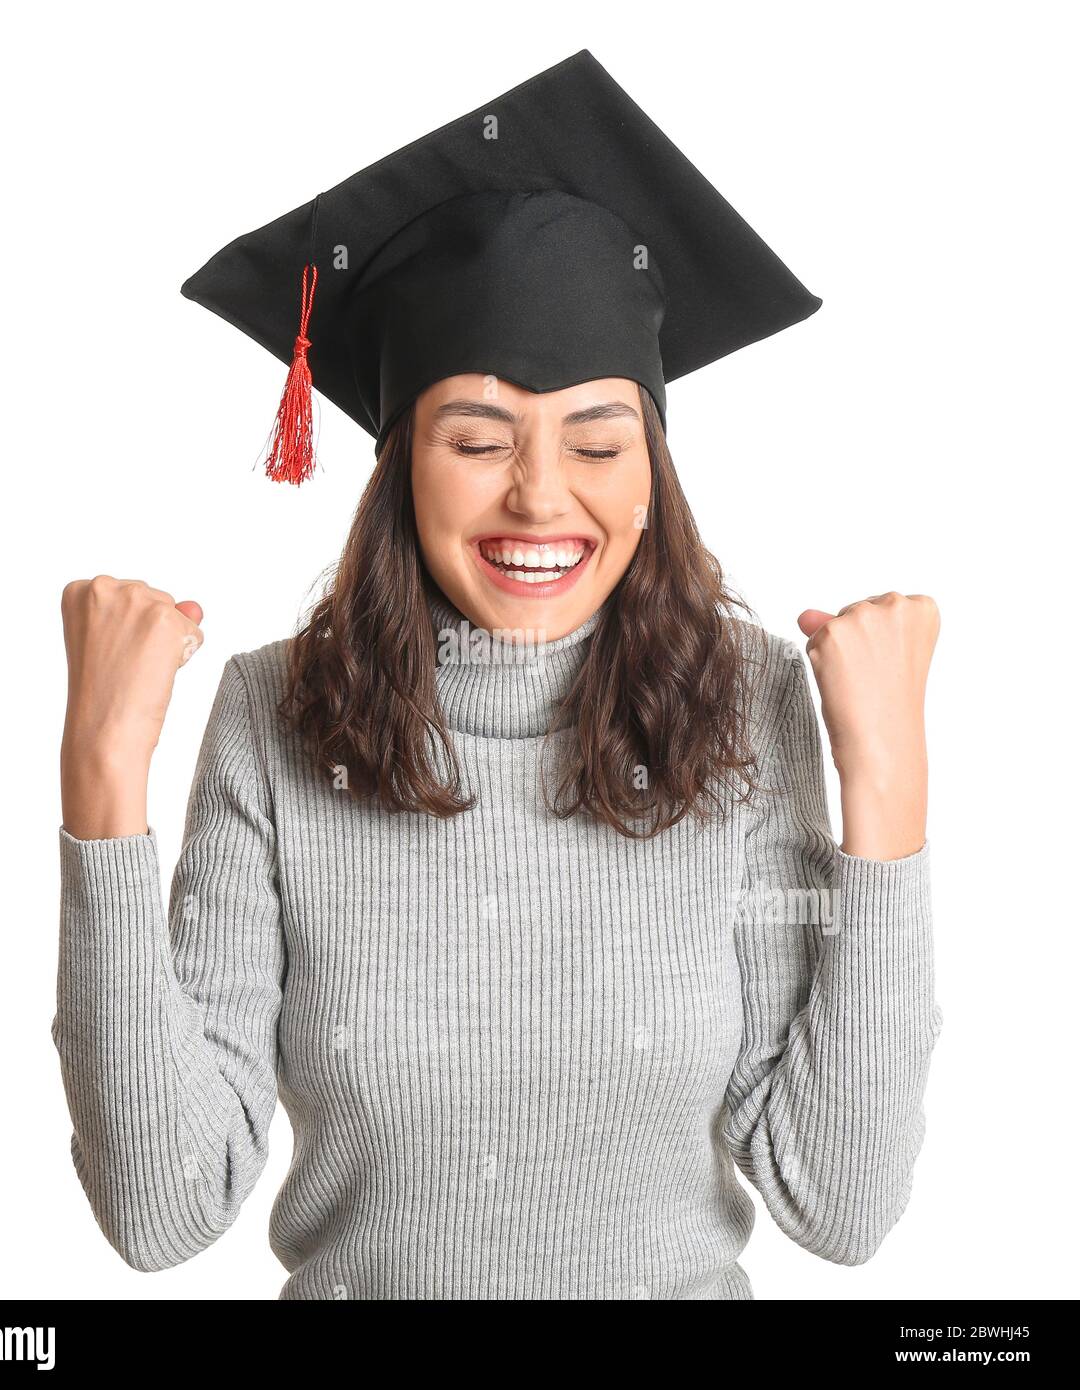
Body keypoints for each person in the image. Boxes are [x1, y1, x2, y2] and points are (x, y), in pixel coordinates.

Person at [53, 50, 942, 1300]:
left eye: (596, 438)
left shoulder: (742, 701)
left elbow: (837, 1204)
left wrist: (887, 793)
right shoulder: (272, 717)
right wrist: (101, 783)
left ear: (650, 475)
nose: (539, 494)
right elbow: (163, 1209)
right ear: (401, 464)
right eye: (476, 439)